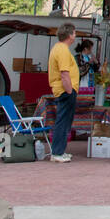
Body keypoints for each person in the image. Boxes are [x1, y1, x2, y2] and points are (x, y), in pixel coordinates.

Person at [46, 22, 79, 163]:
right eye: (74, 33)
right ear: (70, 35)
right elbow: (64, 73)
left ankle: (60, 151)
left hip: (62, 90)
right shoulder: (63, 51)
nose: (75, 35)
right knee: (63, 121)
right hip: (65, 91)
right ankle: (57, 153)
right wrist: (70, 90)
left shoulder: (58, 48)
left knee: (64, 121)